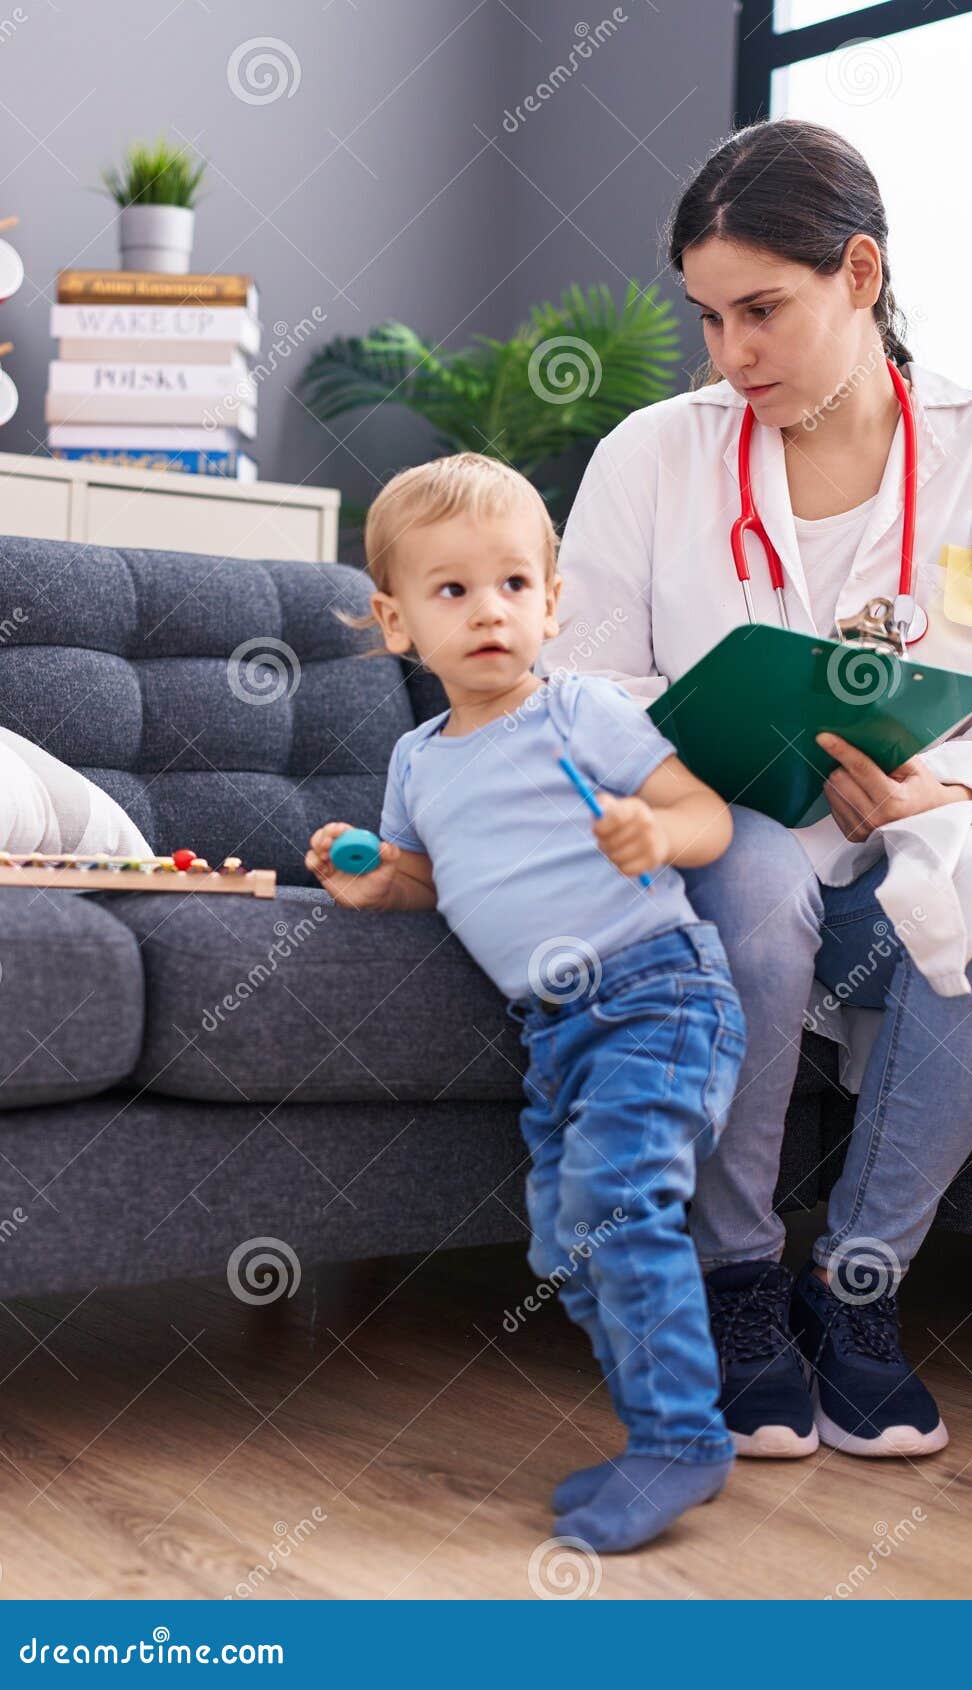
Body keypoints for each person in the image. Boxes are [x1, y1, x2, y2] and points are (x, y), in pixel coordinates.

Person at [538, 119, 972, 1459]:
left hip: (907, 841)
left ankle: (854, 1291)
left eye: (761, 312)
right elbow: (584, 685)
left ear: (859, 275)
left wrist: (938, 788)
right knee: (755, 871)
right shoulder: (651, 454)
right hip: (719, 835)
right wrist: (697, 749)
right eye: (708, 318)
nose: (729, 356)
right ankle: (736, 1282)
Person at [307, 452, 748, 1553]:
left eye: (512, 585)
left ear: (552, 605)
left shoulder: (581, 714)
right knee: (562, 1241)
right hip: (557, 1032)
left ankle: (680, 1436)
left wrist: (657, 831)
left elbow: (706, 815)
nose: (488, 611)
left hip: (657, 996)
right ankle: (660, 1426)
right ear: (396, 619)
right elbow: (423, 877)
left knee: (616, 1202)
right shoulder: (415, 759)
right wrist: (377, 880)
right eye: (451, 590)